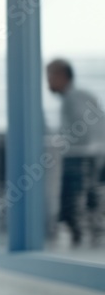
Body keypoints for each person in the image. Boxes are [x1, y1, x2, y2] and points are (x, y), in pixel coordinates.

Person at [46, 59, 105, 246]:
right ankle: (88, 234)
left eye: (50, 76)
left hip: (82, 155)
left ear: (62, 75)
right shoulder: (76, 96)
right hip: (87, 153)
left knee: (75, 198)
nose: (48, 82)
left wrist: (64, 142)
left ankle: (84, 235)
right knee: (85, 196)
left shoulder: (74, 98)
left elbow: (85, 128)